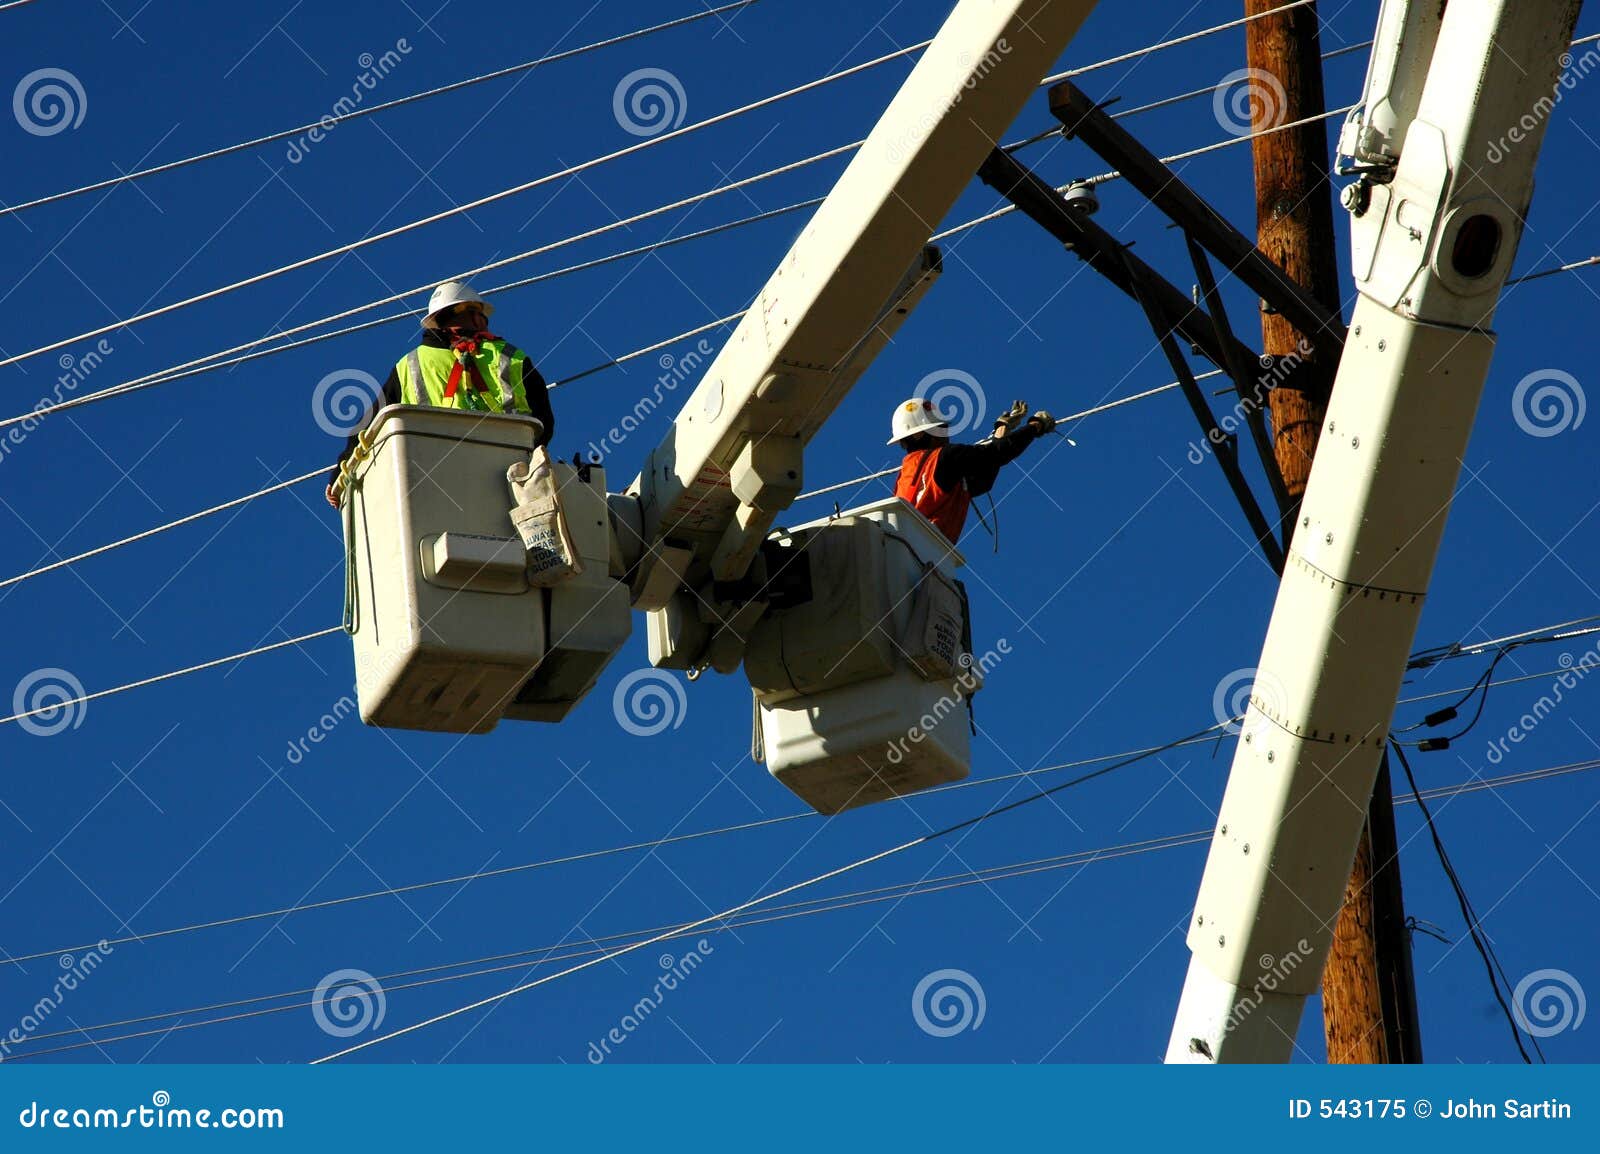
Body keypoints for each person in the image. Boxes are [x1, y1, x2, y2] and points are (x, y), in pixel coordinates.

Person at [325, 280, 556, 506]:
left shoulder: (409, 365)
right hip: (511, 477)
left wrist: (341, 472)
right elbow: (543, 420)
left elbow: (368, 424)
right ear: (476, 316)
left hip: (437, 481)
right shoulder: (510, 356)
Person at [889, 396, 1056, 542]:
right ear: (921, 434)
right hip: (926, 549)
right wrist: (1035, 426)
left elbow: (983, 480)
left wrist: (1001, 432)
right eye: (942, 428)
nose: (947, 434)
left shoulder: (905, 475)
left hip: (908, 550)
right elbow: (999, 453)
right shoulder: (947, 456)